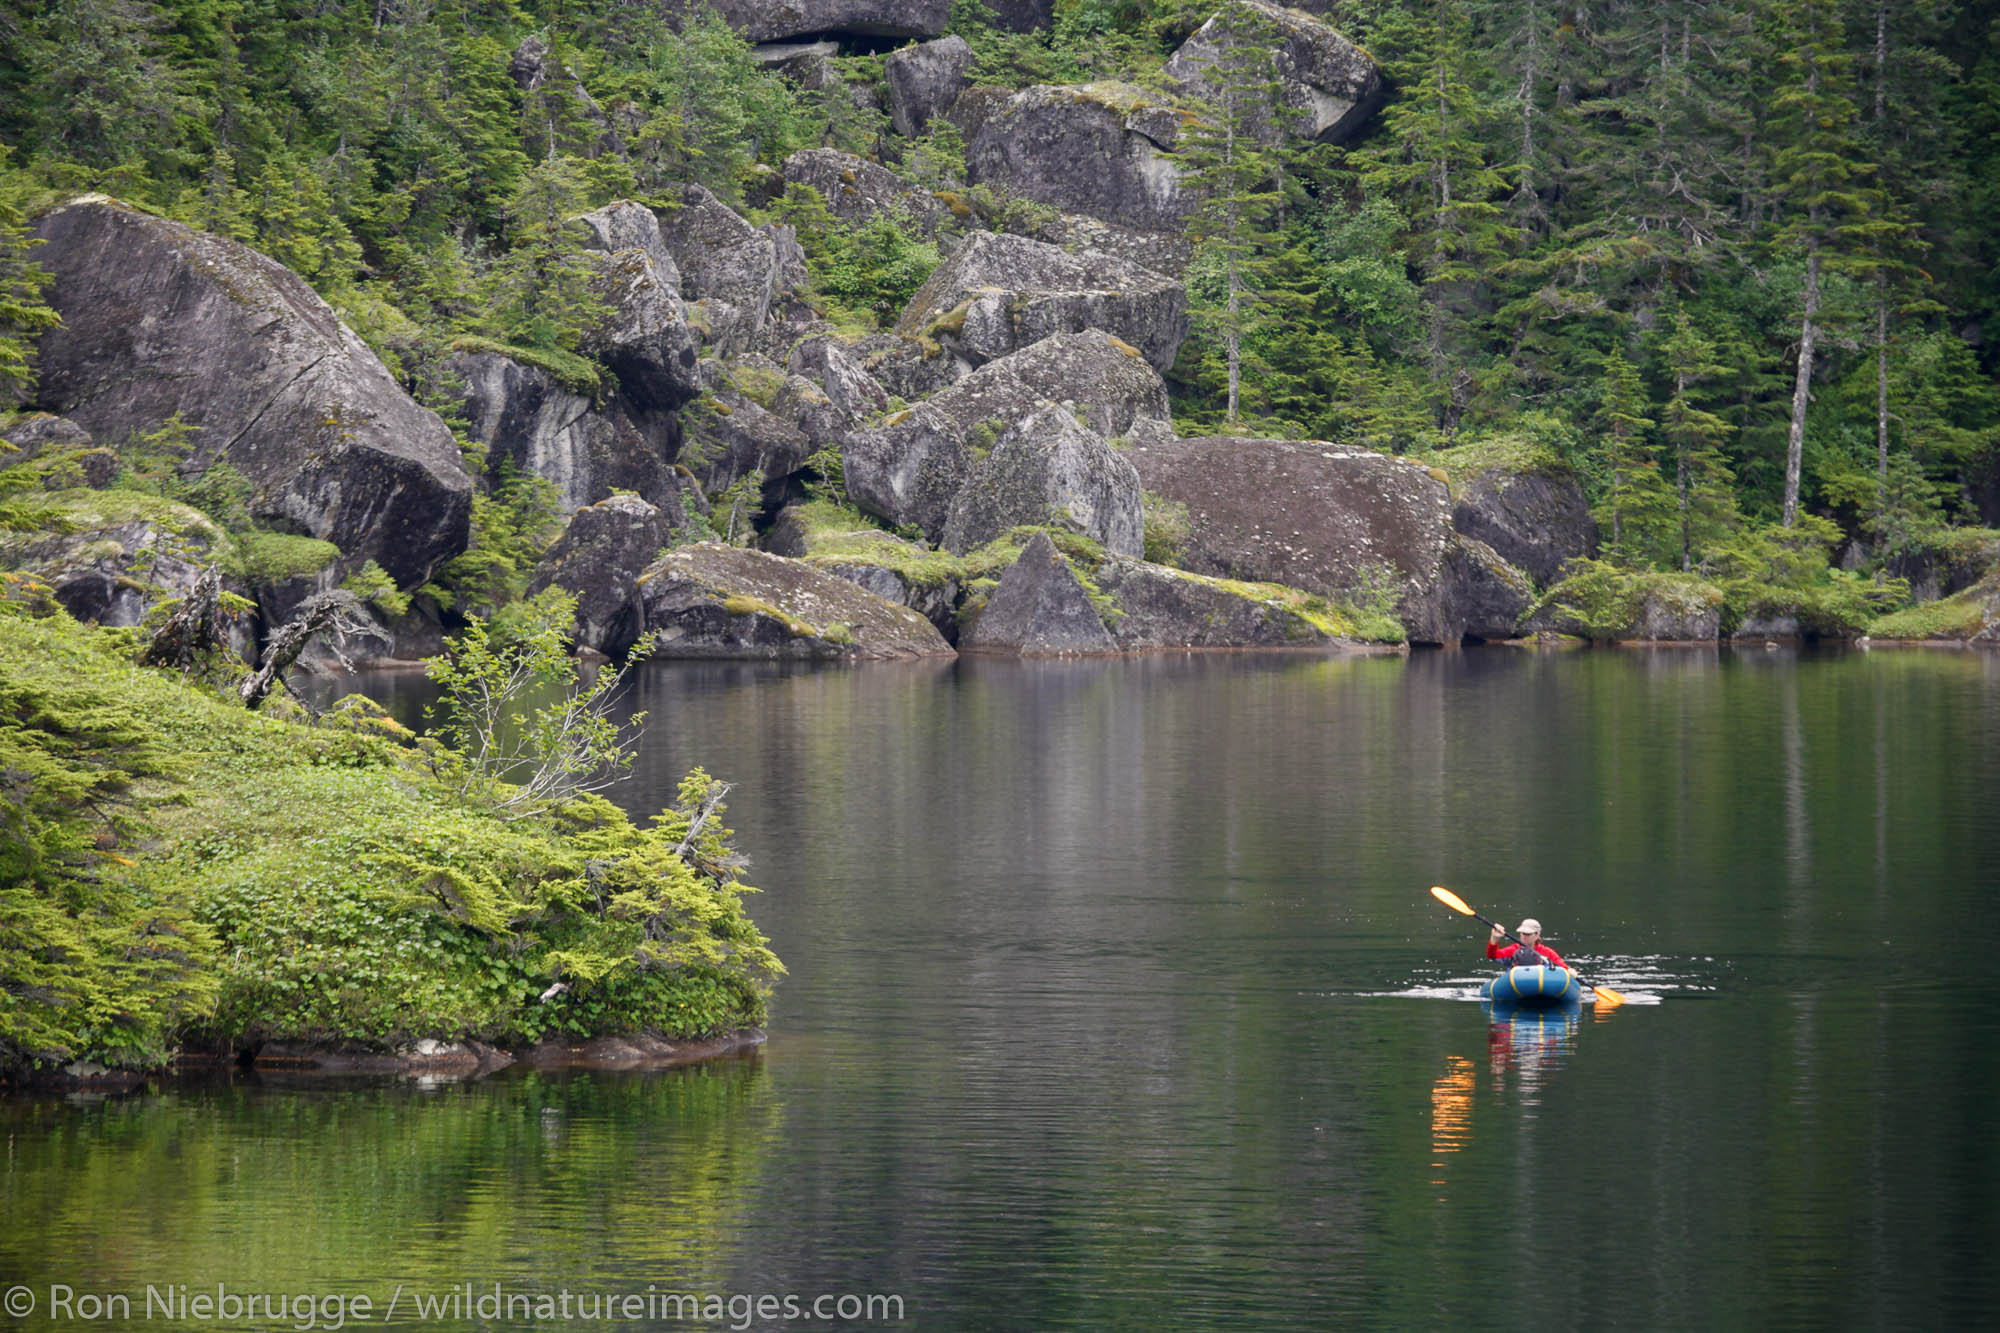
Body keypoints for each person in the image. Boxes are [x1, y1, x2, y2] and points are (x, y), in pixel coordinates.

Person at [1487, 918, 1569, 970]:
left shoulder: (1547, 952)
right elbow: (1492, 956)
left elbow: (1562, 966)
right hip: (1516, 982)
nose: (1524, 936)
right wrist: (1494, 938)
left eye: (1528, 934)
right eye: (1523, 933)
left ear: (1537, 935)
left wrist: (1569, 970)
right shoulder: (1513, 950)